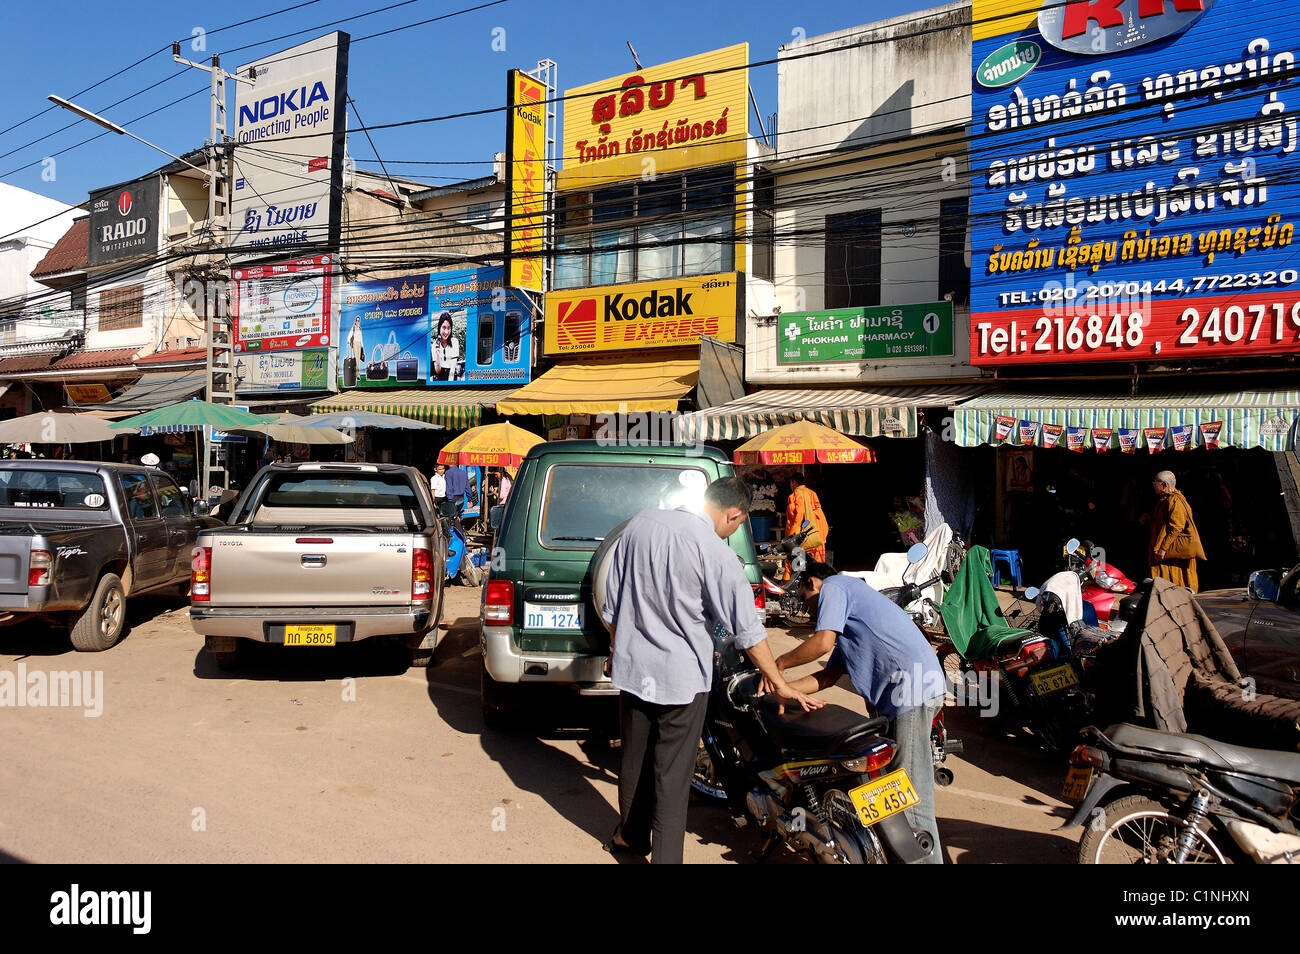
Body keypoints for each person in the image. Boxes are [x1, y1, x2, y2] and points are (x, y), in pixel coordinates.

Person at [600, 477, 821, 864]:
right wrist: (778, 681)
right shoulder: (716, 554)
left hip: (634, 671)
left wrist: (618, 649)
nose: (732, 531)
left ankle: (631, 838)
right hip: (681, 682)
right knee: (671, 776)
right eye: (736, 525)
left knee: (634, 759)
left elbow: (613, 602)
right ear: (733, 514)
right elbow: (748, 632)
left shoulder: (640, 524)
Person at [769, 561, 946, 863]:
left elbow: (822, 643)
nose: (811, 611)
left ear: (813, 582)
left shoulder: (836, 587)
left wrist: (779, 664)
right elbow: (827, 676)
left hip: (912, 692)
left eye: (807, 600)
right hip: (904, 696)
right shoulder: (852, 613)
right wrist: (780, 689)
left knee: (911, 800)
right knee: (889, 789)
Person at [1149, 470, 1206, 591]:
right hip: (1166, 552)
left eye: (1155, 482)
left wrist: (1163, 548)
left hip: (1172, 552)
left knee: (1177, 580)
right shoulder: (1165, 500)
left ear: (1164, 485)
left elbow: (1176, 527)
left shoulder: (1176, 501)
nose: (1153, 484)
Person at [784, 472, 829, 579]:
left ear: (794, 482)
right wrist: (823, 534)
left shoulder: (795, 495)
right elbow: (820, 515)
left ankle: (797, 585)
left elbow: (798, 516)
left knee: (797, 566)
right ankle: (818, 582)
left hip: (800, 536)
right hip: (816, 535)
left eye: (791, 483)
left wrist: (790, 537)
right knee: (816, 564)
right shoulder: (812, 493)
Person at [432, 314, 460, 382]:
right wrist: (438, 355)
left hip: (452, 377)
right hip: (440, 378)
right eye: (444, 327)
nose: (446, 332)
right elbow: (437, 371)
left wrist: (449, 384)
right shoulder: (435, 345)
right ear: (439, 327)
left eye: (449, 328)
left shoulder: (454, 342)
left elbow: (452, 368)